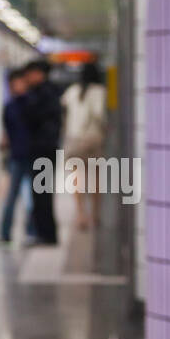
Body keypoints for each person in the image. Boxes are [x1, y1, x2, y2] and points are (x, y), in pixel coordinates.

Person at [61, 61, 108, 229]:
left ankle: (81, 215)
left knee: (77, 179)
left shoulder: (72, 91)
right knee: (95, 180)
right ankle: (95, 215)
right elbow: (100, 115)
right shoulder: (100, 92)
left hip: (74, 140)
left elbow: (64, 111)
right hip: (93, 140)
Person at [22, 60, 61, 246]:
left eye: (30, 74)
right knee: (41, 193)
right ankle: (44, 233)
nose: (27, 78)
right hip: (44, 149)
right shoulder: (48, 92)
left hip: (43, 150)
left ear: (39, 73)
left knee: (42, 193)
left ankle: (46, 235)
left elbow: (33, 117)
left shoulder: (43, 94)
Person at [0, 66, 36, 245]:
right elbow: (7, 130)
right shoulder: (9, 107)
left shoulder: (32, 103)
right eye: (13, 83)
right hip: (16, 156)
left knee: (30, 197)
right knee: (11, 196)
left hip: (32, 156)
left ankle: (31, 231)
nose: (17, 86)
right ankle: (5, 233)